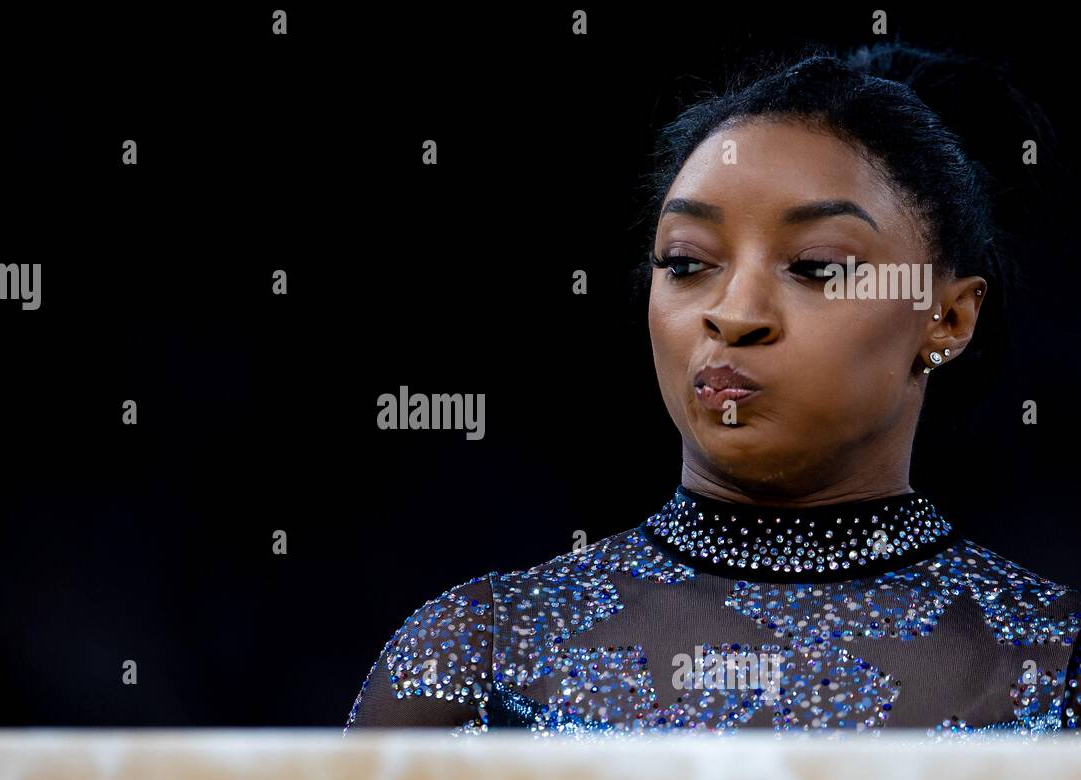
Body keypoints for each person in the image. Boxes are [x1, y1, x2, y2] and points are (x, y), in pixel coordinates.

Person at [344, 43, 1080, 736]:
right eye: (688, 261)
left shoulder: (1053, 666)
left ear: (947, 318)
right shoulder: (482, 654)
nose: (732, 313)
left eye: (817, 267)